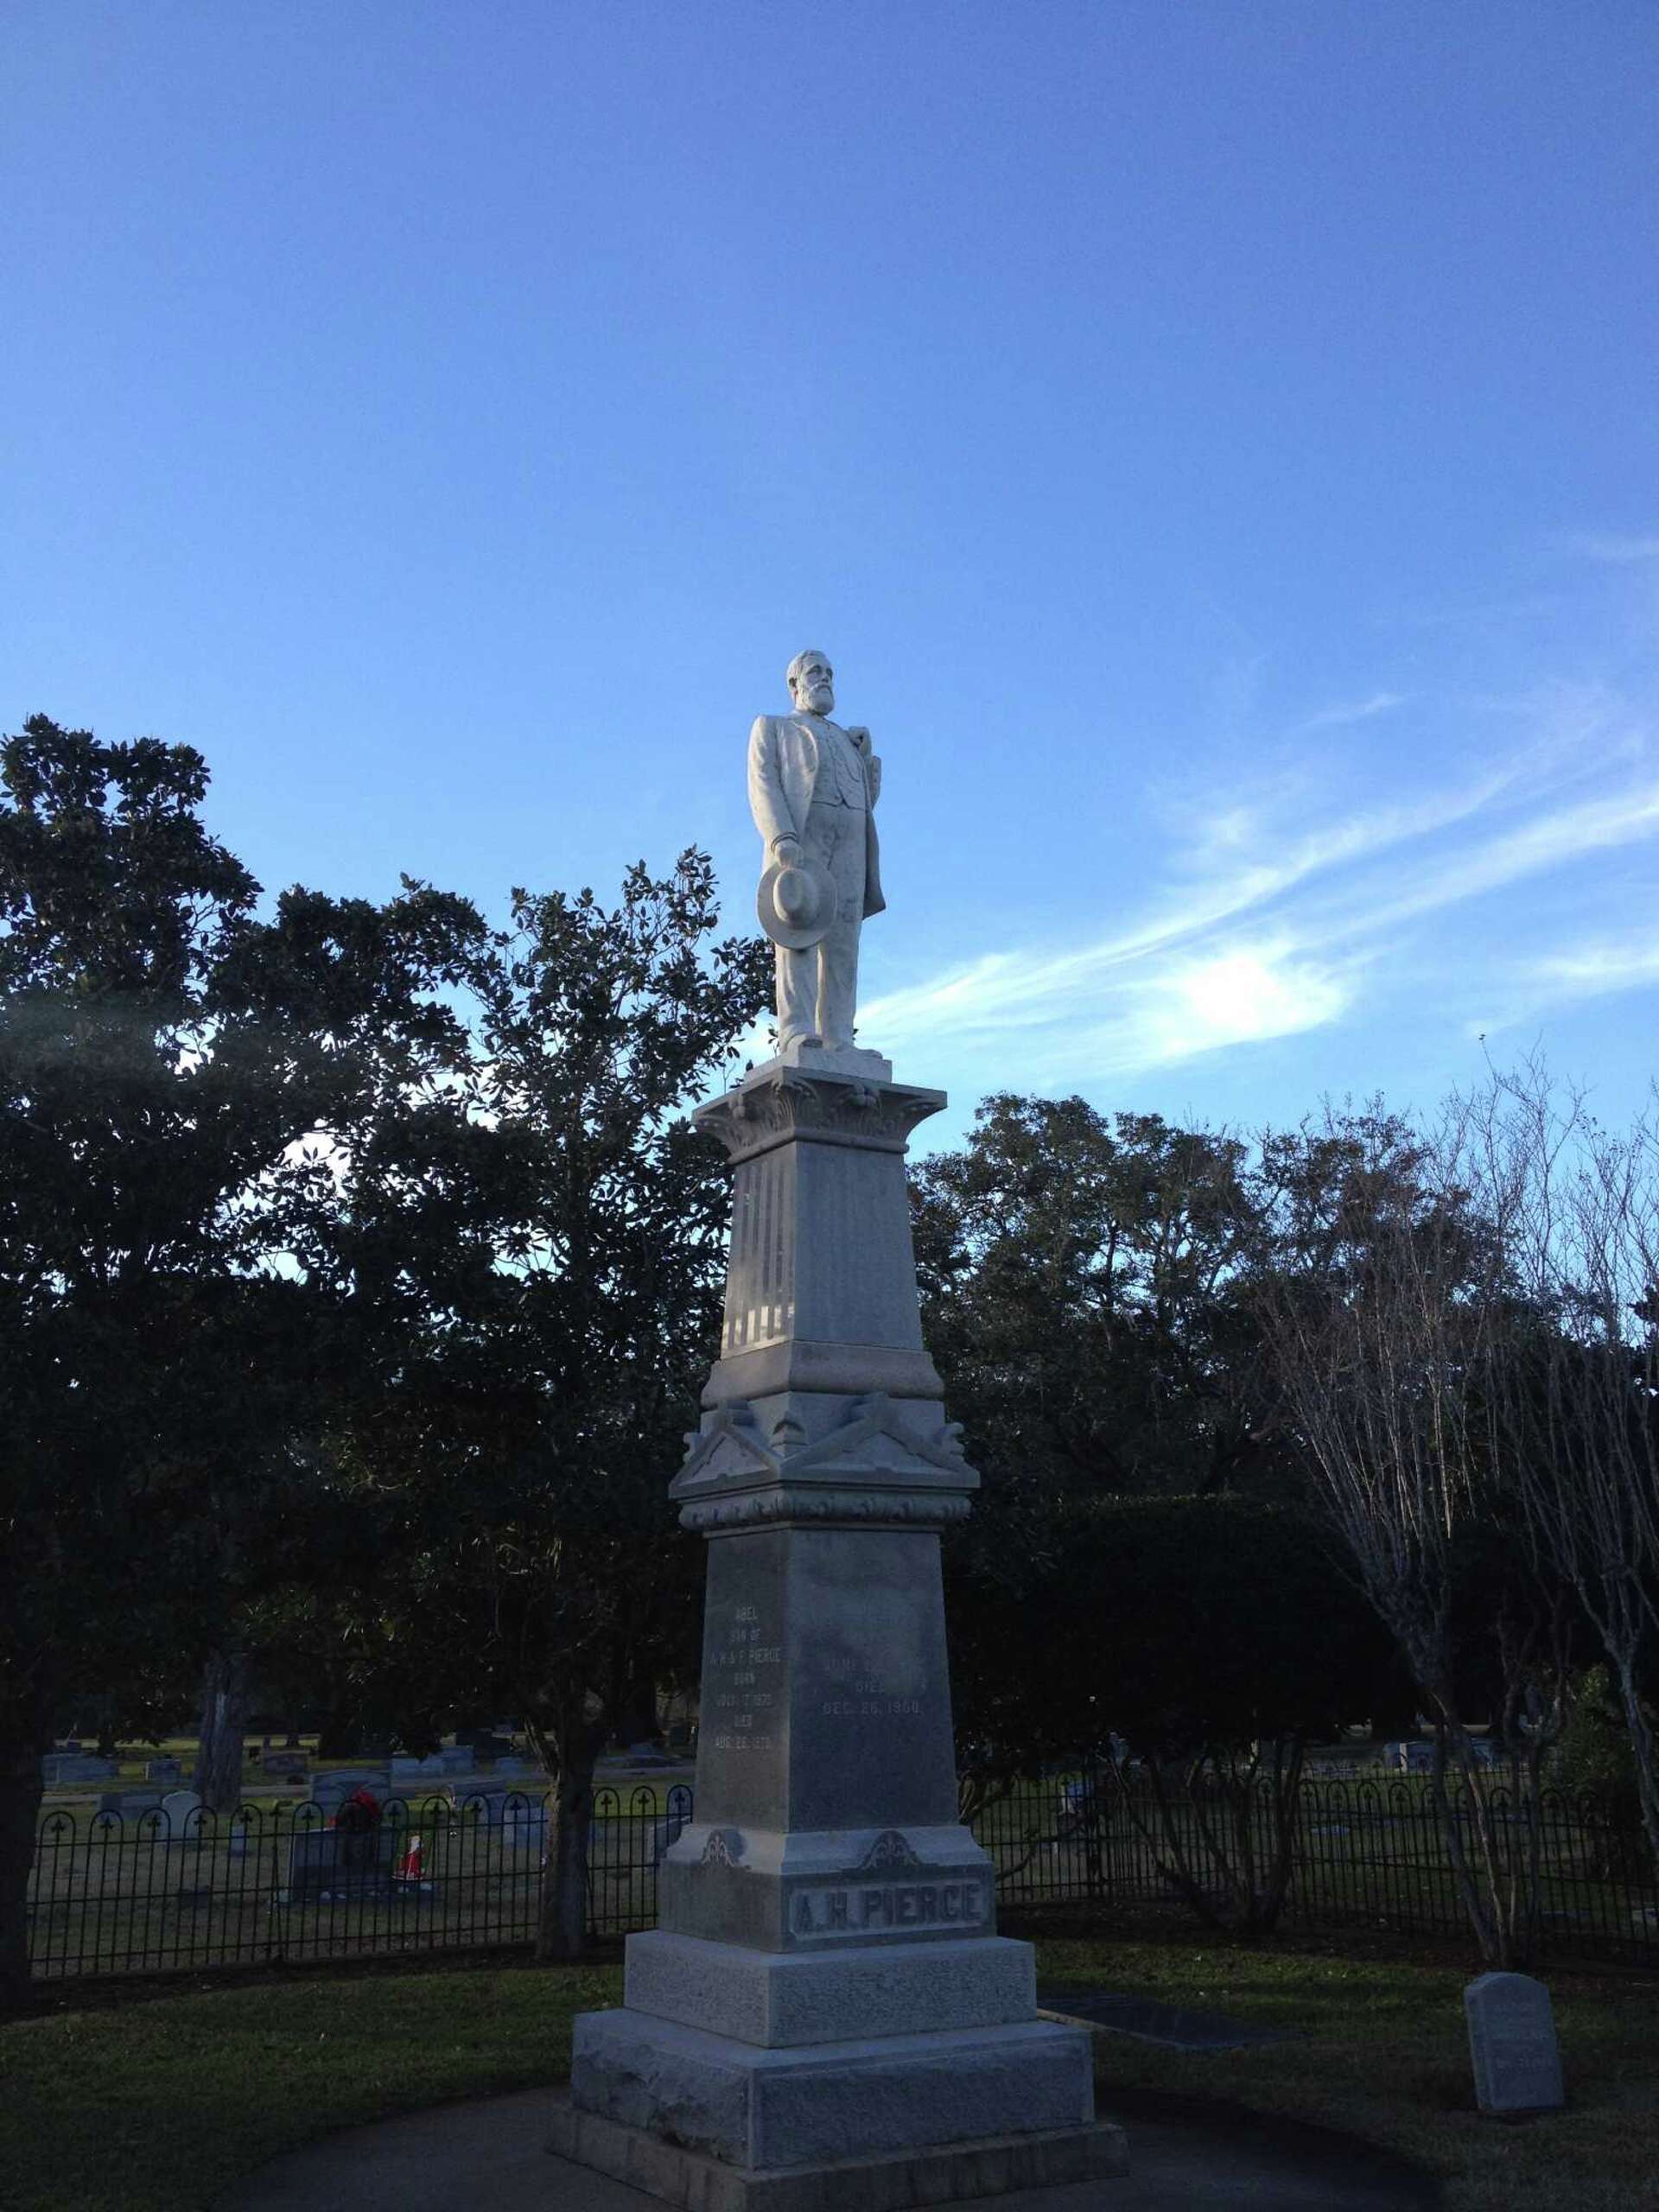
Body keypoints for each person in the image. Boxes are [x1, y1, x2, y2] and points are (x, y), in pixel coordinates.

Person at [747, 650, 885, 1055]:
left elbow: (866, 801)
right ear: (794, 685)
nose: (824, 679)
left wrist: (865, 759)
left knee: (845, 938)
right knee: (800, 932)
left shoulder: (848, 739)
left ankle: (840, 1036)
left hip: (851, 843)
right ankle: (797, 1029)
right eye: (814, 672)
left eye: (829, 673)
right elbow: (763, 783)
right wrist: (781, 838)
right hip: (802, 838)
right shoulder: (773, 727)